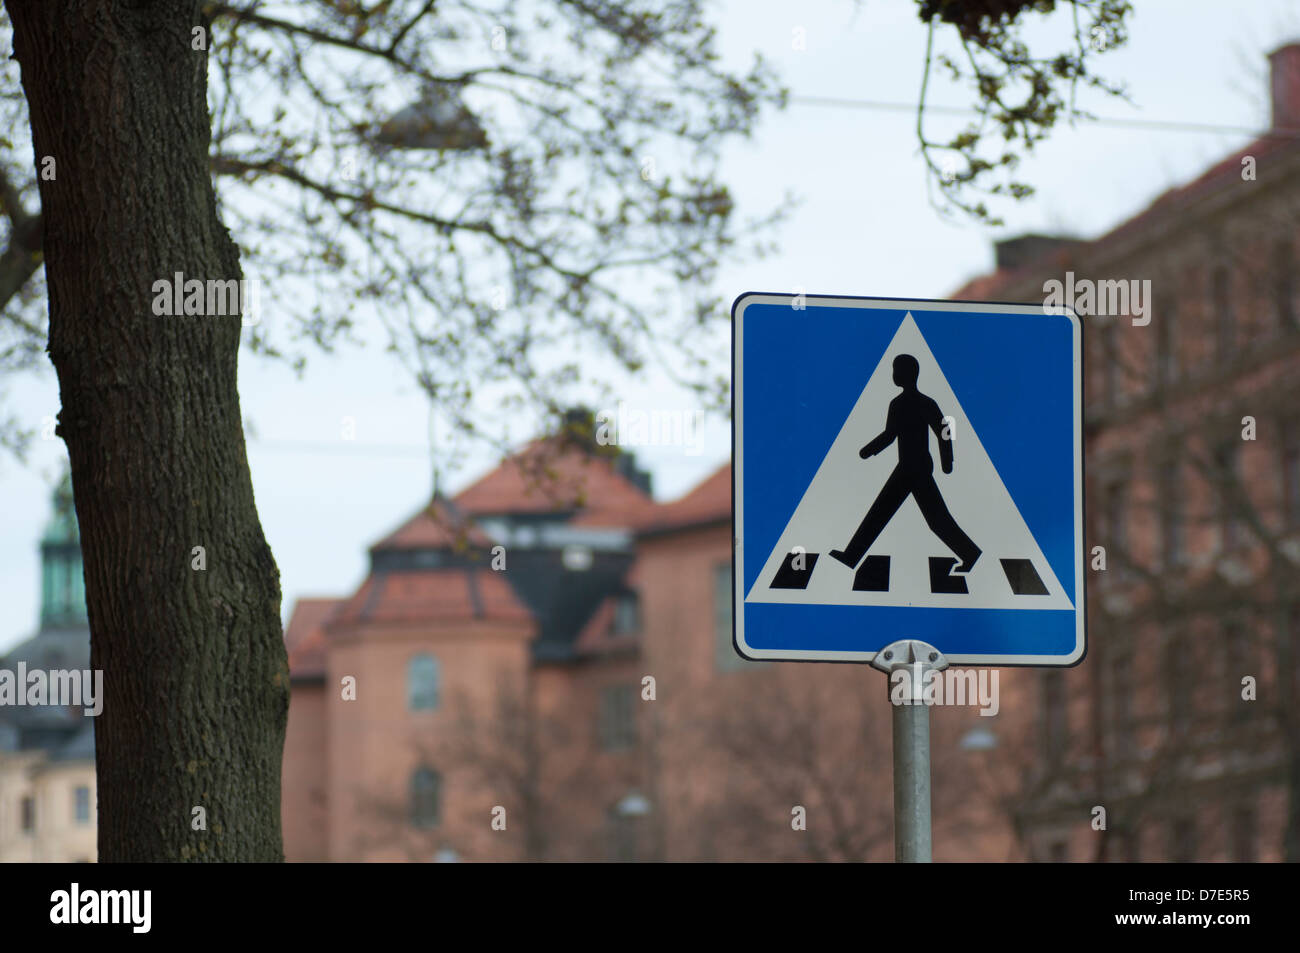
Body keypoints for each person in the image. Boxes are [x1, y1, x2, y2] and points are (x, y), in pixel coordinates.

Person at [829, 353, 981, 573]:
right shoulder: (905, 403)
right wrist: (869, 450)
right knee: (920, 517)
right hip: (910, 466)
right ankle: (851, 556)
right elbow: (892, 435)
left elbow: (941, 432)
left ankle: (851, 556)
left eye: (896, 370)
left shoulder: (916, 403)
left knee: (901, 514)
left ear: (907, 374)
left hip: (915, 468)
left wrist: (947, 462)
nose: (894, 374)